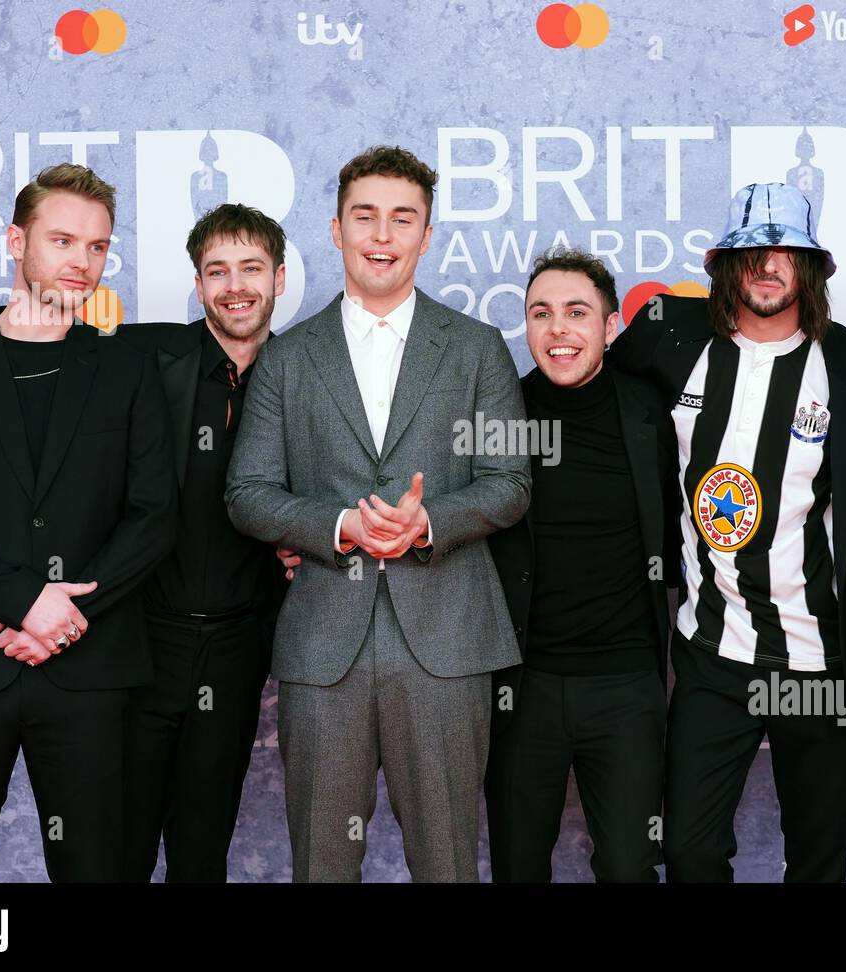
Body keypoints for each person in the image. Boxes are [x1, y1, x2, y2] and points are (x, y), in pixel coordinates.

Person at [0, 203, 294, 883]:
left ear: (281, 277)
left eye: (251, 269)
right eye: (217, 270)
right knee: (111, 855)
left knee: (200, 852)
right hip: (136, 638)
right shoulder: (139, 353)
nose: (235, 285)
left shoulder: (309, 372)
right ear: (199, 282)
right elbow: (37, 335)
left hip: (238, 646)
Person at [224, 145, 530, 882]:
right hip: (324, 645)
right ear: (335, 230)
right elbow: (247, 492)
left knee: (448, 862)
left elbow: (511, 482)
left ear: (427, 236)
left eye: (403, 219)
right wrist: (340, 528)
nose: (383, 236)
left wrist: (427, 523)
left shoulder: (479, 349)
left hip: (449, 643)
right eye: (366, 217)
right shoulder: (288, 358)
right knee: (323, 864)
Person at [0, 163, 177, 881]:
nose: (82, 262)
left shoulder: (127, 368)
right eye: (62, 240)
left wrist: (65, 616)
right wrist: (26, 602)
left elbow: (153, 517)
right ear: (16, 241)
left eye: (98, 247)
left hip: (87, 669)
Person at [608, 182, 846, 882]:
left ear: (811, 268)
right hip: (712, 657)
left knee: (817, 861)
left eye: (785, 250)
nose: (767, 264)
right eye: (751, 250)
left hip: (816, 664)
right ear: (725, 263)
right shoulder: (670, 335)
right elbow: (580, 407)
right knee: (691, 852)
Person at [483, 247, 680, 882]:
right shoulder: (500, 417)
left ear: (611, 327)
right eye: (541, 314)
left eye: (576, 312)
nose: (558, 329)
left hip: (626, 685)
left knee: (629, 866)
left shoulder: (654, 411)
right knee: (518, 864)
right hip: (522, 685)